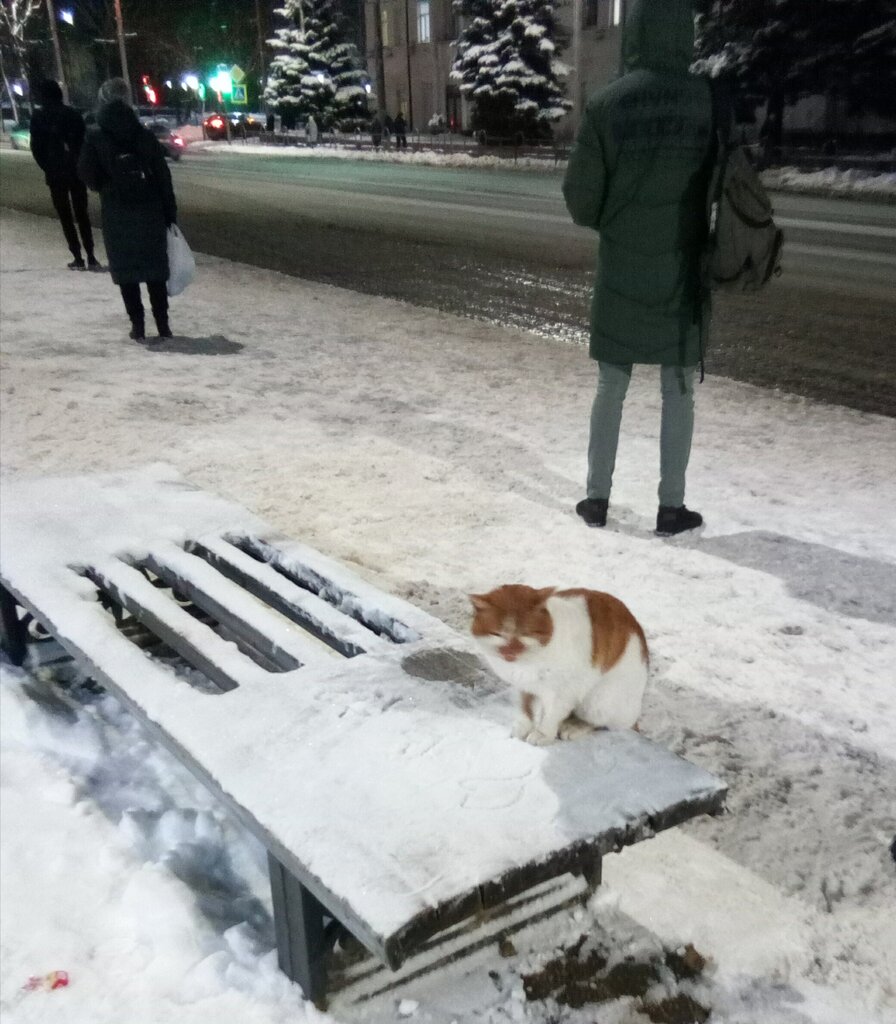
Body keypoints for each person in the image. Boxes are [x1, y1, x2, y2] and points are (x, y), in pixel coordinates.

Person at [562, 0, 713, 536]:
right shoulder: (706, 102)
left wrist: (618, 220)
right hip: (682, 267)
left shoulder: (607, 105)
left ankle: (597, 499)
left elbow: (580, 201)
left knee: (611, 385)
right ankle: (671, 508)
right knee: (678, 386)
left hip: (623, 268)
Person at [78, 78, 177, 342]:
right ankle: (163, 325)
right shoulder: (143, 135)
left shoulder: (95, 137)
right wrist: (170, 213)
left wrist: (107, 185)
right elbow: (162, 176)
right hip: (150, 210)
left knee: (127, 272)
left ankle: (138, 326)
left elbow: (87, 174)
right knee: (154, 269)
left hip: (117, 211)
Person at [29, 80, 100, 271]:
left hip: (55, 174)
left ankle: (77, 256)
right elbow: (83, 144)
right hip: (76, 172)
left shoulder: (39, 117)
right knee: (82, 213)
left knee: (65, 216)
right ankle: (91, 255)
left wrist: (48, 167)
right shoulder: (72, 114)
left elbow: (36, 148)